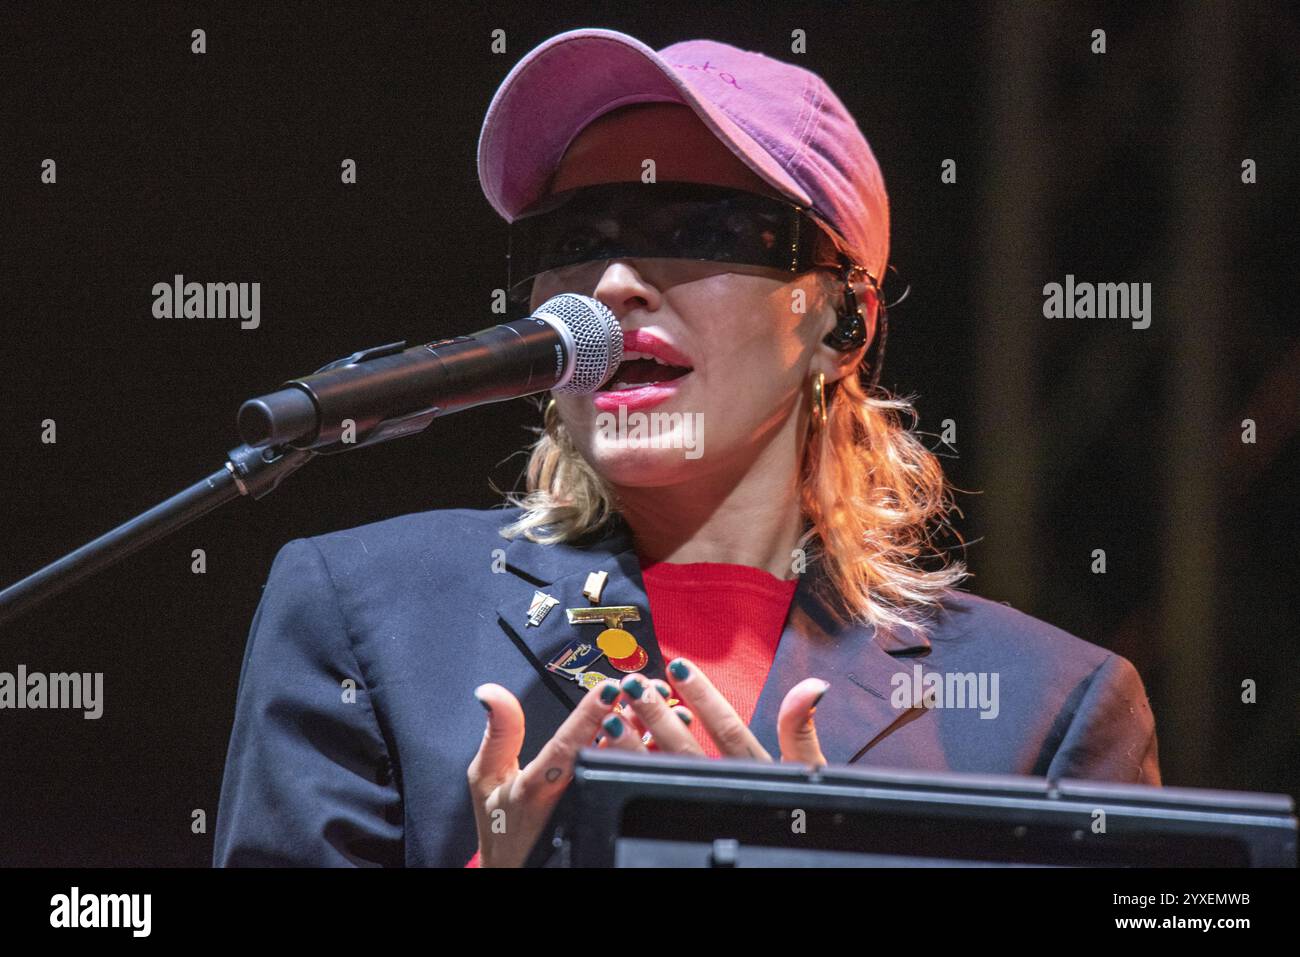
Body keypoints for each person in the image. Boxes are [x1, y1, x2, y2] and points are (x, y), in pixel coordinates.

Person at [213, 29, 1160, 869]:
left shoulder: (1046, 709)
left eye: (700, 227)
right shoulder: (363, 614)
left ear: (842, 319)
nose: (616, 281)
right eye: (576, 236)